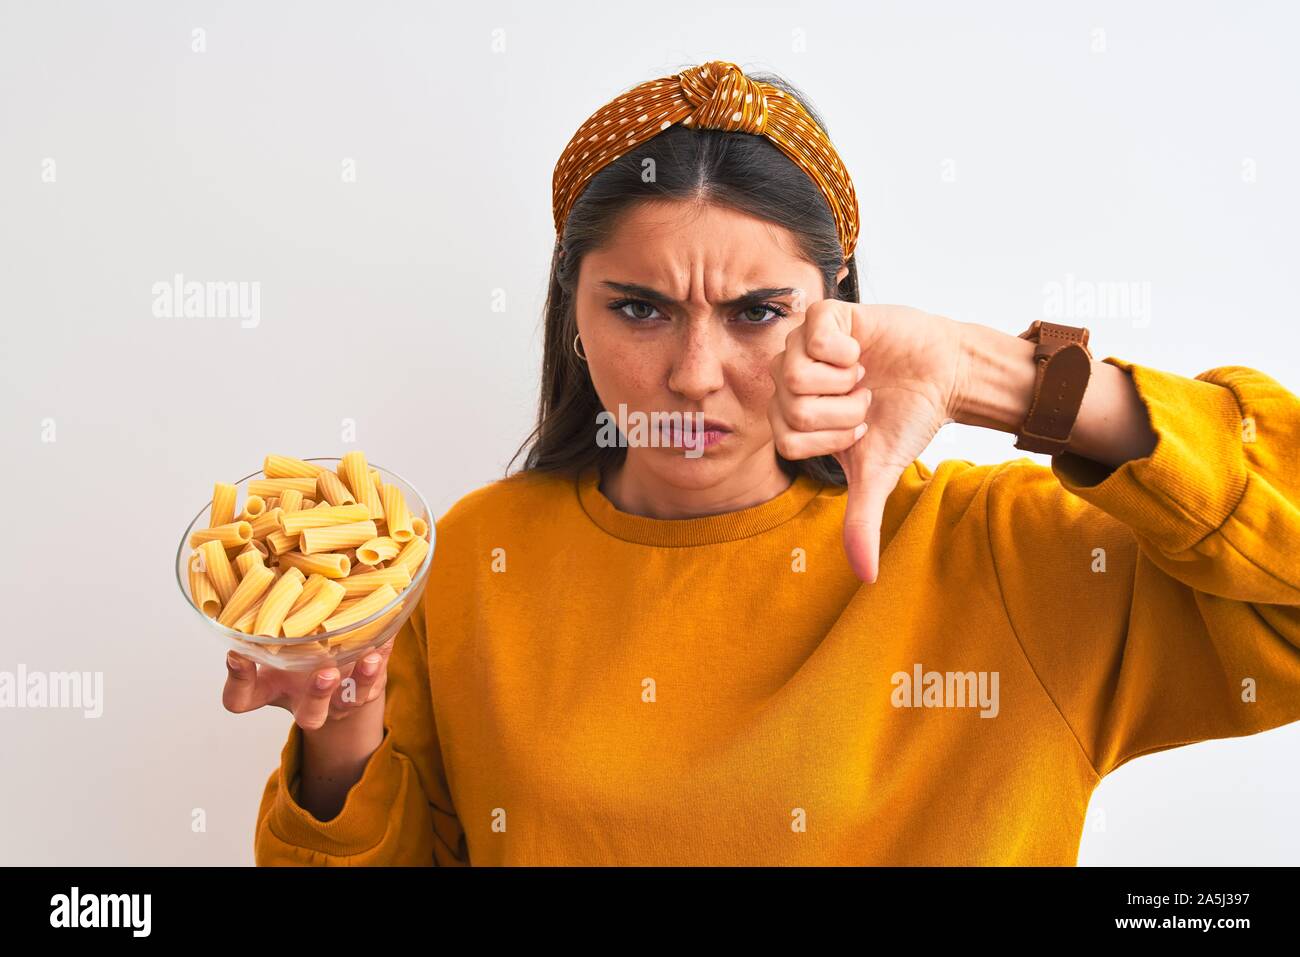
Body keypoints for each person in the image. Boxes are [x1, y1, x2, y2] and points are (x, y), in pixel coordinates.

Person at [226, 60, 1300, 865]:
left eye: (757, 313)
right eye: (638, 307)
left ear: (836, 307)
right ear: (570, 317)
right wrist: (343, 731)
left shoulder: (1005, 557)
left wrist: (1001, 375)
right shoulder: (471, 554)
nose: (695, 374)